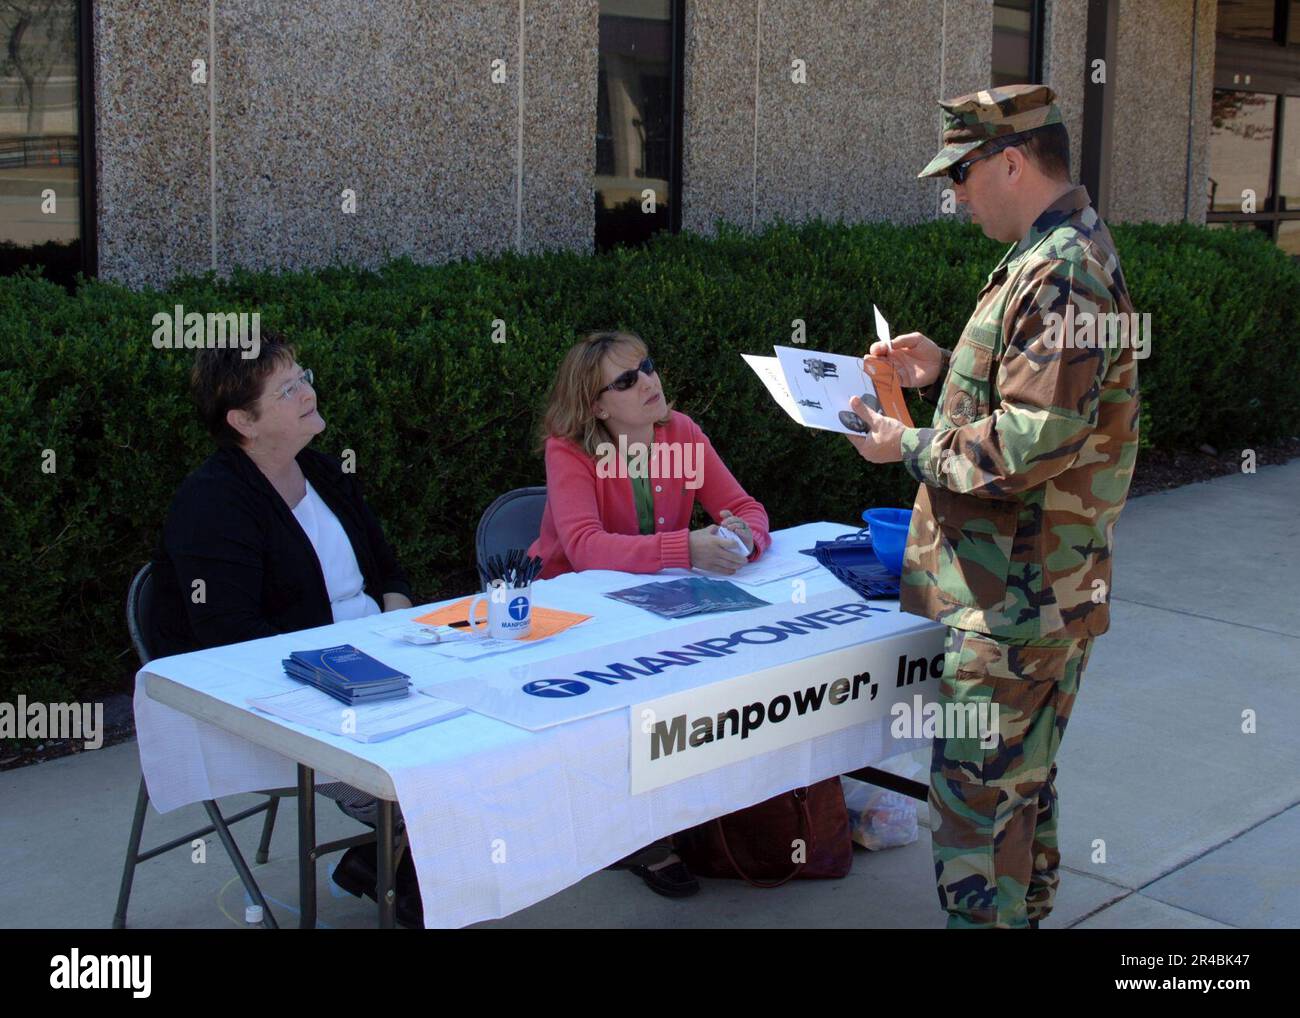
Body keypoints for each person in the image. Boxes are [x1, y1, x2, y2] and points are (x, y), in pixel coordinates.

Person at [843, 84, 1140, 929]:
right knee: (1020, 795)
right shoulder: (1055, 253)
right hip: (1032, 591)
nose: (957, 194)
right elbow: (1035, 403)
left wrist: (901, 443)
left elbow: (1027, 446)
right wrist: (945, 368)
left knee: (980, 811)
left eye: (964, 174)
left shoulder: (1061, 271)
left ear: (1012, 161)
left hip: (1016, 599)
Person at [151, 334, 423, 926]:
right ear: (243, 421)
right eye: (288, 388)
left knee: (490, 731)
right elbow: (233, 639)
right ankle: (406, 867)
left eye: (305, 375)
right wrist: (353, 670)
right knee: (428, 774)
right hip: (284, 693)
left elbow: (387, 569)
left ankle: (389, 865)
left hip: (378, 661)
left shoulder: (321, 470)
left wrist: (400, 630)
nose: (308, 391)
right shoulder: (213, 502)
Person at [527, 330, 772, 897]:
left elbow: (745, 507)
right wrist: (686, 548)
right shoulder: (569, 448)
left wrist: (743, 537)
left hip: (656, 606)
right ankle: (637, 834)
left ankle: (692, 811)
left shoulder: (678, 431)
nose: (649, 382)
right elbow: (586, 548)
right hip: (575, 613)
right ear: (596, 405)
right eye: (627, 379)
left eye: (649, 366)